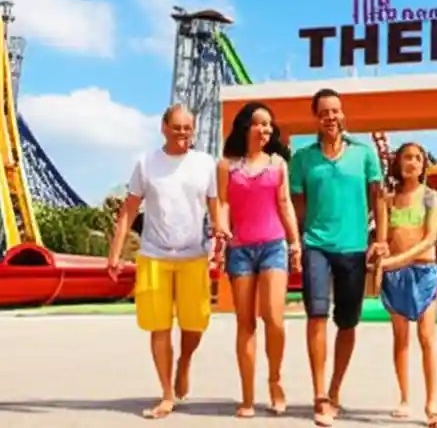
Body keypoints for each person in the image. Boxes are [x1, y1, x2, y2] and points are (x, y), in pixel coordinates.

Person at [107, 104, 219, 420]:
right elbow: (129, 209)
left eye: (188, 128)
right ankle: (167, 394)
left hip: (194, 255)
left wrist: (222, 230)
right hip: (154, 255)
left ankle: (184, 361)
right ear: (164, 127)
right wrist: (115, 252)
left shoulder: (204, 163)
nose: (183, 133)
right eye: (178, 127)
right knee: (159, 326)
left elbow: (214, 203)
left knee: (195, 323)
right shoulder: (146, 164)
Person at [289, 88, 386, 426]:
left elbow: (379, 198)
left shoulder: (364, 154)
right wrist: (296, 242)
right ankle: (318, 395)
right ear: (316, 117)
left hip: (353, 248)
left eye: (336, 111)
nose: (331, 117)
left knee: (347, 322)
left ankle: (335, 390)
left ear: (343, 115)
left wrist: (381, 240)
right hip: (316, 244)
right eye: (325, 112)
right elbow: (297, 206)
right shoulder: (302, 159)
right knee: (316, 315)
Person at [213, 101, 302, 418]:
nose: (266, 129)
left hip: (273, 246)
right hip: (240, 250)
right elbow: (223, 203)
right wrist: (221, 226)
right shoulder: (226, 166)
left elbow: (285, 204)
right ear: (245, 127)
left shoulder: (278, 164)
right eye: (259, 123)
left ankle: (275, 380)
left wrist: (294, 243)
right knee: (245, 323)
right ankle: (247, 396)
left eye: (269, 125)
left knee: (274, 318)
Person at [374, 142, 437, 428]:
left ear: (424, 164)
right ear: (398, 163)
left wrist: (397, 259)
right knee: (400, 338)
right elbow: (382, 238)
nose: (412, 162)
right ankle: (404, 397)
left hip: (425, 272)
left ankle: (432, 402)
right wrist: (380, 257)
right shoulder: (389, 199)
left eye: (417, 158)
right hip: (395, 276)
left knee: (426, 338)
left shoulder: (430, 197)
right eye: (407, 157)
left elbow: (429, 239)